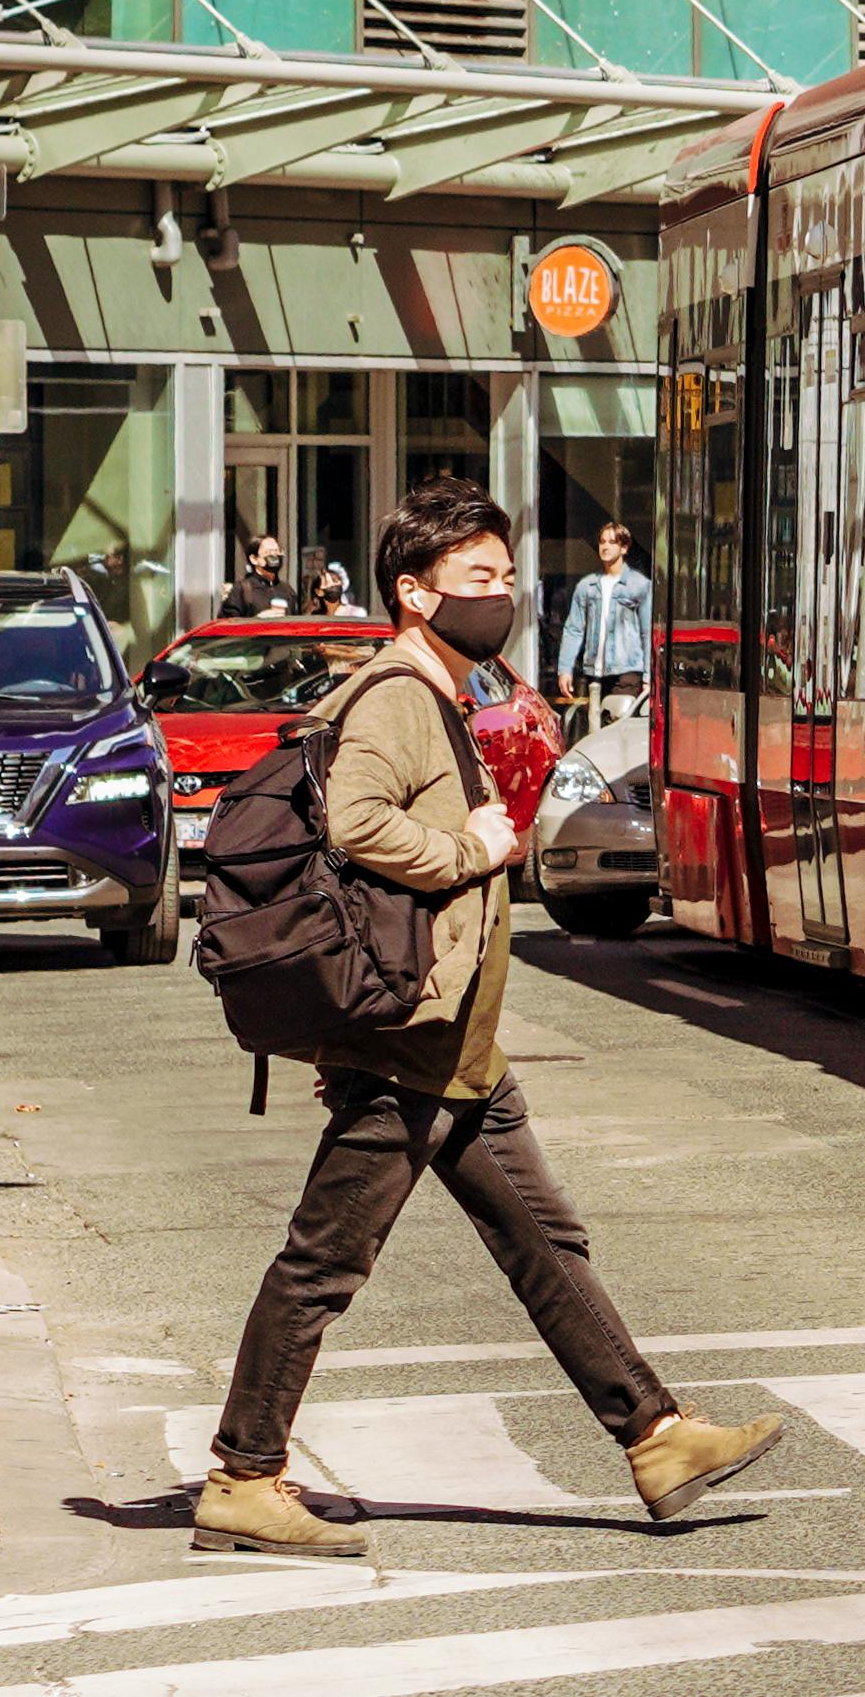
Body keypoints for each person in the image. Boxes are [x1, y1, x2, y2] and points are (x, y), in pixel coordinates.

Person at [197, 476, 782, 1555]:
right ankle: (243, 1470)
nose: (501, 594)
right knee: (324, 1258)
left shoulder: (445, 689)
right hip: (413, 1036)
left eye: (507, 575)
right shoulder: (395, 697)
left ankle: (655, 1432)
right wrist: (473, 849)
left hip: (451, 1034)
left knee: (541, 1238)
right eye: (477, 578)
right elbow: (358, 821)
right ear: (414, 594)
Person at [557, 522, 650, 733]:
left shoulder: (639, 585)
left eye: (611, 542)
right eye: (602, 542)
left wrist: (647, 676)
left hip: (627, 671)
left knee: (618, 729)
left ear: (624, 548)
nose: (605, 547)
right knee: (595, 730)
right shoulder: (587, 586)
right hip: (595, 672)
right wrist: (565, 669)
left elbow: (647, 633)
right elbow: (574, 628)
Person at [220, 535, 294, 620]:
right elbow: (228, 624)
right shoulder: (242, 589)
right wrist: (258, 619)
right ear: (254, 559)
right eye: (268, 552)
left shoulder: (287, 590)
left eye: (277, 552)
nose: (275, 556)